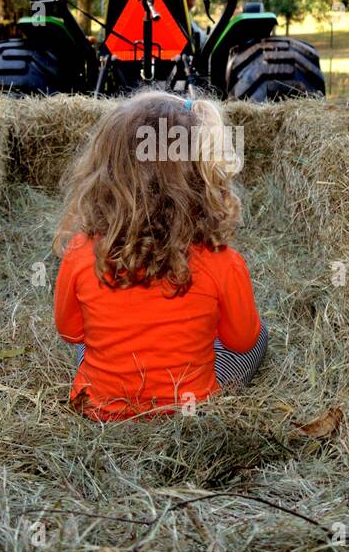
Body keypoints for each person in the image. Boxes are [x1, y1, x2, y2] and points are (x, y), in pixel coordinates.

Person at [53, 90, 267, 421]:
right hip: (187, 410)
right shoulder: (222, 261)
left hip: (100, 409)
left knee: (90, 336)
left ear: (105, 171)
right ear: (201, 177)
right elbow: (241, 340)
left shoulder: (81, 251)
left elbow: (69, 332)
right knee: (257, 339)